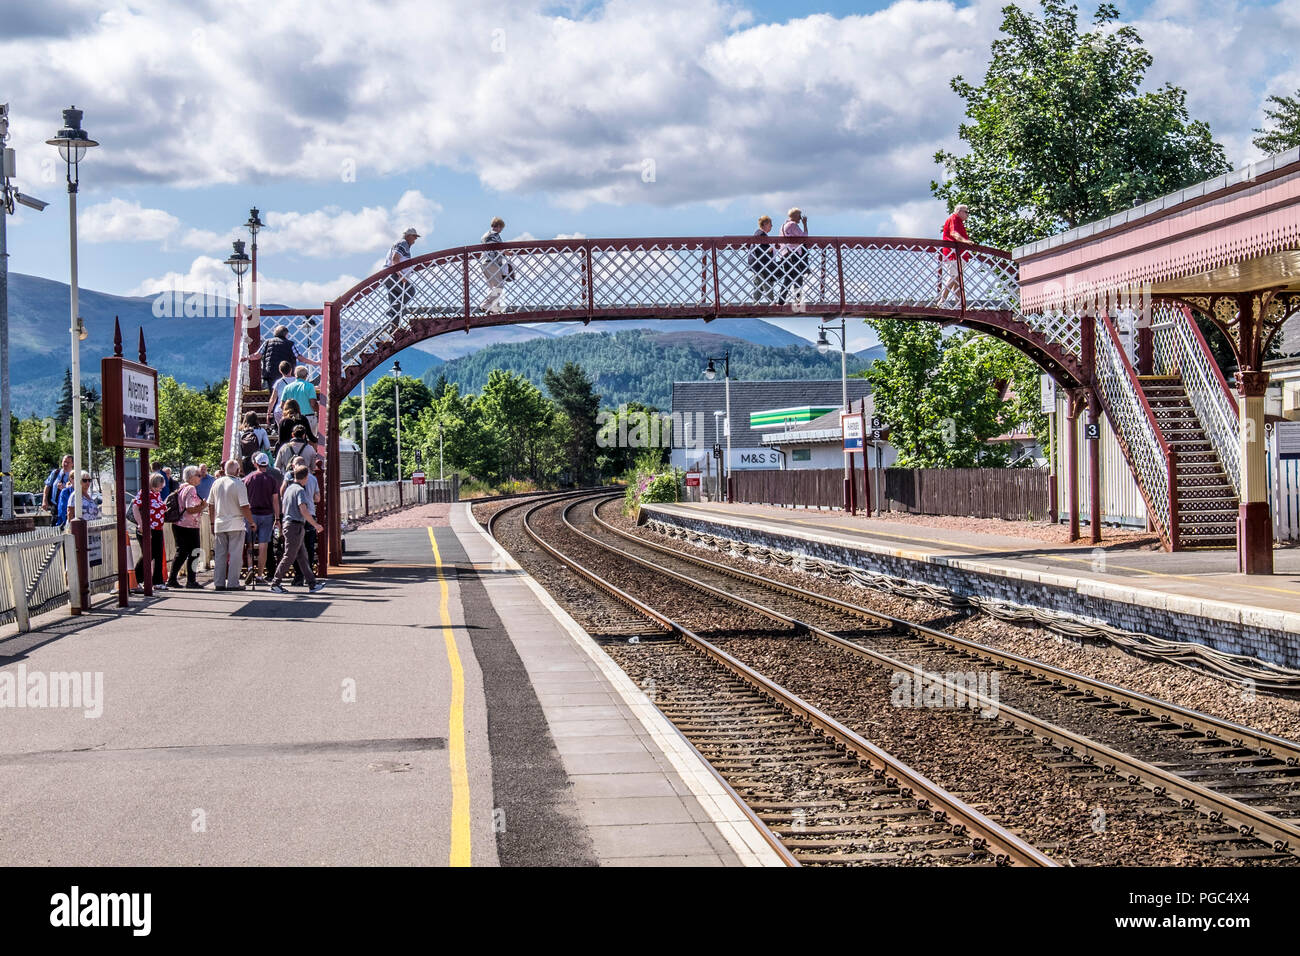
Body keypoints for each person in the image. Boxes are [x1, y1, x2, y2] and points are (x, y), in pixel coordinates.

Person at [269, 464, 326, 594]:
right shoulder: (300, 490)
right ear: (305, 477)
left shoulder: (289, 489)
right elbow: (303, 510)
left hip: (289, 524)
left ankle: (312, 583)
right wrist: (316, 525)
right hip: (295, 525)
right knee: (289, 555)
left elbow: (284, 507)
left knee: (302, 556)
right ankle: (275, 583)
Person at [209, 459, 254, 591]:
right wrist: (251, 521)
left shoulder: (216, 483)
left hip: (219, 522)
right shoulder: (238, 484)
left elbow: (211, 505)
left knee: (220, 554)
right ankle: (233, 582)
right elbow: (244, 506)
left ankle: (219, 582)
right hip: (235, 523)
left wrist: (212, 522)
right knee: (235, 554)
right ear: (237, 470)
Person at [167, 466, 207, 589]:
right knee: (194, 552)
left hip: (179, 524)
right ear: (191, 477)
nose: (200, 477)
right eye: (198, 475)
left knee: (182, 552)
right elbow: (190, 509)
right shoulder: (191, 489)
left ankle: (172, 579)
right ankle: (191, 580)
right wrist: (202, 506)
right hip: (189, 525)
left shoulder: (182, 487)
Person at [243, 452, 280, 584]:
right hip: (267, 515)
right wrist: (278, 518)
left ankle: (249, 569)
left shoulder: (247, 479)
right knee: (264, 545)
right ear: (266, 464)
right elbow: (275, 500)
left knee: (250, 544)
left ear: (255, 464)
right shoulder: (272, 480)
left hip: (251, 514)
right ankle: (259, 575)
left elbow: (243, 500)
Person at [131, 472, 168, 592]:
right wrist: (141, 523)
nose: (161, 489)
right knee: (148, 554)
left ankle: (157, 581)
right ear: (153, 484)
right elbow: (135, 507)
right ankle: (136, 578)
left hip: (157, 529)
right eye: (159, 486)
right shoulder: (144, 493)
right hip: (147, 528)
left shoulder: (156, 494)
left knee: (158, 555)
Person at [939, 204, 973, 304]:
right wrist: (965, 241)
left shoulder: (958, 221)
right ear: (959, 211)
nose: (967, 214)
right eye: (966, 212)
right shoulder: (954, 218)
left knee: (957, 279)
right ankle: (942, 301)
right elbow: (954, 233)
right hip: (953, 253)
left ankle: (959, 303)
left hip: (958, 253)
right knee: (953, 276)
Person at [385, 227, 420, 320]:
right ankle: (393, 311)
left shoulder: (402, 244)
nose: (415, 240)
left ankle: (393, 327)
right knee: (410, 291)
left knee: (395, 301)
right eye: (414, 237)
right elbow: (395, 259)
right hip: (393, 275)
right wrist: (401, 274)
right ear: (408, 236)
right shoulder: (403, 243)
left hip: (388, 276)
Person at [778, 207, 809, 305]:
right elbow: (804, 236)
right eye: (799, 216)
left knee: (788, 278)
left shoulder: (783, 226)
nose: (800, 218)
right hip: (793, 255)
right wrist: (805, 224)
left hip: (784, 255)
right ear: (795, 216)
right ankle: (798, 301)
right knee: (798, 277)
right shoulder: (793, 225)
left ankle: (781, 300)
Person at [480, 217, 511, 313]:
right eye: (501, 228)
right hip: (492, 263)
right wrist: (507, 252)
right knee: (499, 286)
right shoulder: (494, 235)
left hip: (485, 263)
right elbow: (497, 247)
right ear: (498, 226)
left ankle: (495, 309)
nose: (501, 230)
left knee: (493, 287)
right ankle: (486, 304)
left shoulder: (486, 235)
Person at [280, 366, 320, 436]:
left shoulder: (287, 387)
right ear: (306, 375)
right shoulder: (310, 386)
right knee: (311, 439)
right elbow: (313, 404)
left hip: (292, 418)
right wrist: (318, 413)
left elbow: (282, 405)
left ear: (295, 375)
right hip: (308, 417)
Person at [748, 215, 776, 302]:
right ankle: (771, 301)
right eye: (770, 224)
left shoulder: (758, 233)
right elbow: (760, 249)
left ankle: (755, 302)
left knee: (758, 283)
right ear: (765, 224)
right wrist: (769, 249)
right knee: (767, 281)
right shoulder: (761, 234)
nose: (771, 226)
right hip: (761, 264)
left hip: (756, 263)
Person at [237, 411, 271, 475]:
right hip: (258, 459)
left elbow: (239, 449)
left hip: (245, 460)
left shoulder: (241, 432)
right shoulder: (262, 430)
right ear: (256, 419)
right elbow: (267, 447)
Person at [267, 360, 295, 426]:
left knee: (282, 431)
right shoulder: (296, 381)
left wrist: (268, 413)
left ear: (280, 371)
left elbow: (272, 399)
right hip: (293, 409)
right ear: (291, 369)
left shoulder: (278, 383)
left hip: (279, 410)